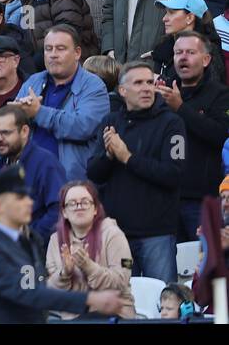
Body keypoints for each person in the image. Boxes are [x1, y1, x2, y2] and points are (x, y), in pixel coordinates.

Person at [0, 164, 125, 321]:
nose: (29, 202)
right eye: (20, 197)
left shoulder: (26, 242)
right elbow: (27, 293)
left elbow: (37, 288)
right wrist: (88, 299)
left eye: (29, 196)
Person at [86, 60, 185, 283]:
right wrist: (109, 156)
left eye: (150, 82)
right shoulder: (110, 121)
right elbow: (93, 172)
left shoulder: (173, 124)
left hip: (157, 234)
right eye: (138, 83)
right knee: (121, 303)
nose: (146, 88)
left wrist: (127, 157)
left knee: (161, 302)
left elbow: (173, 174)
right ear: (122, 90)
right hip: (118, 233)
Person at [15, 23, 109, 182]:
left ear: (77, 53)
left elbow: (82, 126)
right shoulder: (33, 82)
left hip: (70, 184)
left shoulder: (94, 86)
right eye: (48, 49)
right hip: (30, 179)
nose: (53, 54)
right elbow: (13, 128)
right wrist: (16, 114)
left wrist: (38, 112)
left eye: (60, 48)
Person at [158, 31, 229, 240]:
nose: (183, 57)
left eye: (190, 52)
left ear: (206, 59)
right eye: (178, 52)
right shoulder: (162, 92)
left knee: (201, 264)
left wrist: (180, 108)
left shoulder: (221, 95)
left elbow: (220, 134)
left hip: (201, 199)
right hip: (166, 197)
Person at [44, 179, 137, 319]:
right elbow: (50, 289)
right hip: (71, 316)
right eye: (72, 203)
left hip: (113, 313)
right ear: (64, 212)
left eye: (85, 202)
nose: (79, 207)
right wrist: (64, 273)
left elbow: (122, 280)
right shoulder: (55, 240)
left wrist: (89, 267)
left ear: (95, 209)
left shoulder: (114, 234)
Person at [0, 102, 66, 245]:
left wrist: (30, 238)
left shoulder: (46, 163)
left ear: (24, 131)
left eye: (5, 133)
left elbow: (59, 210)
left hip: (31, 257)